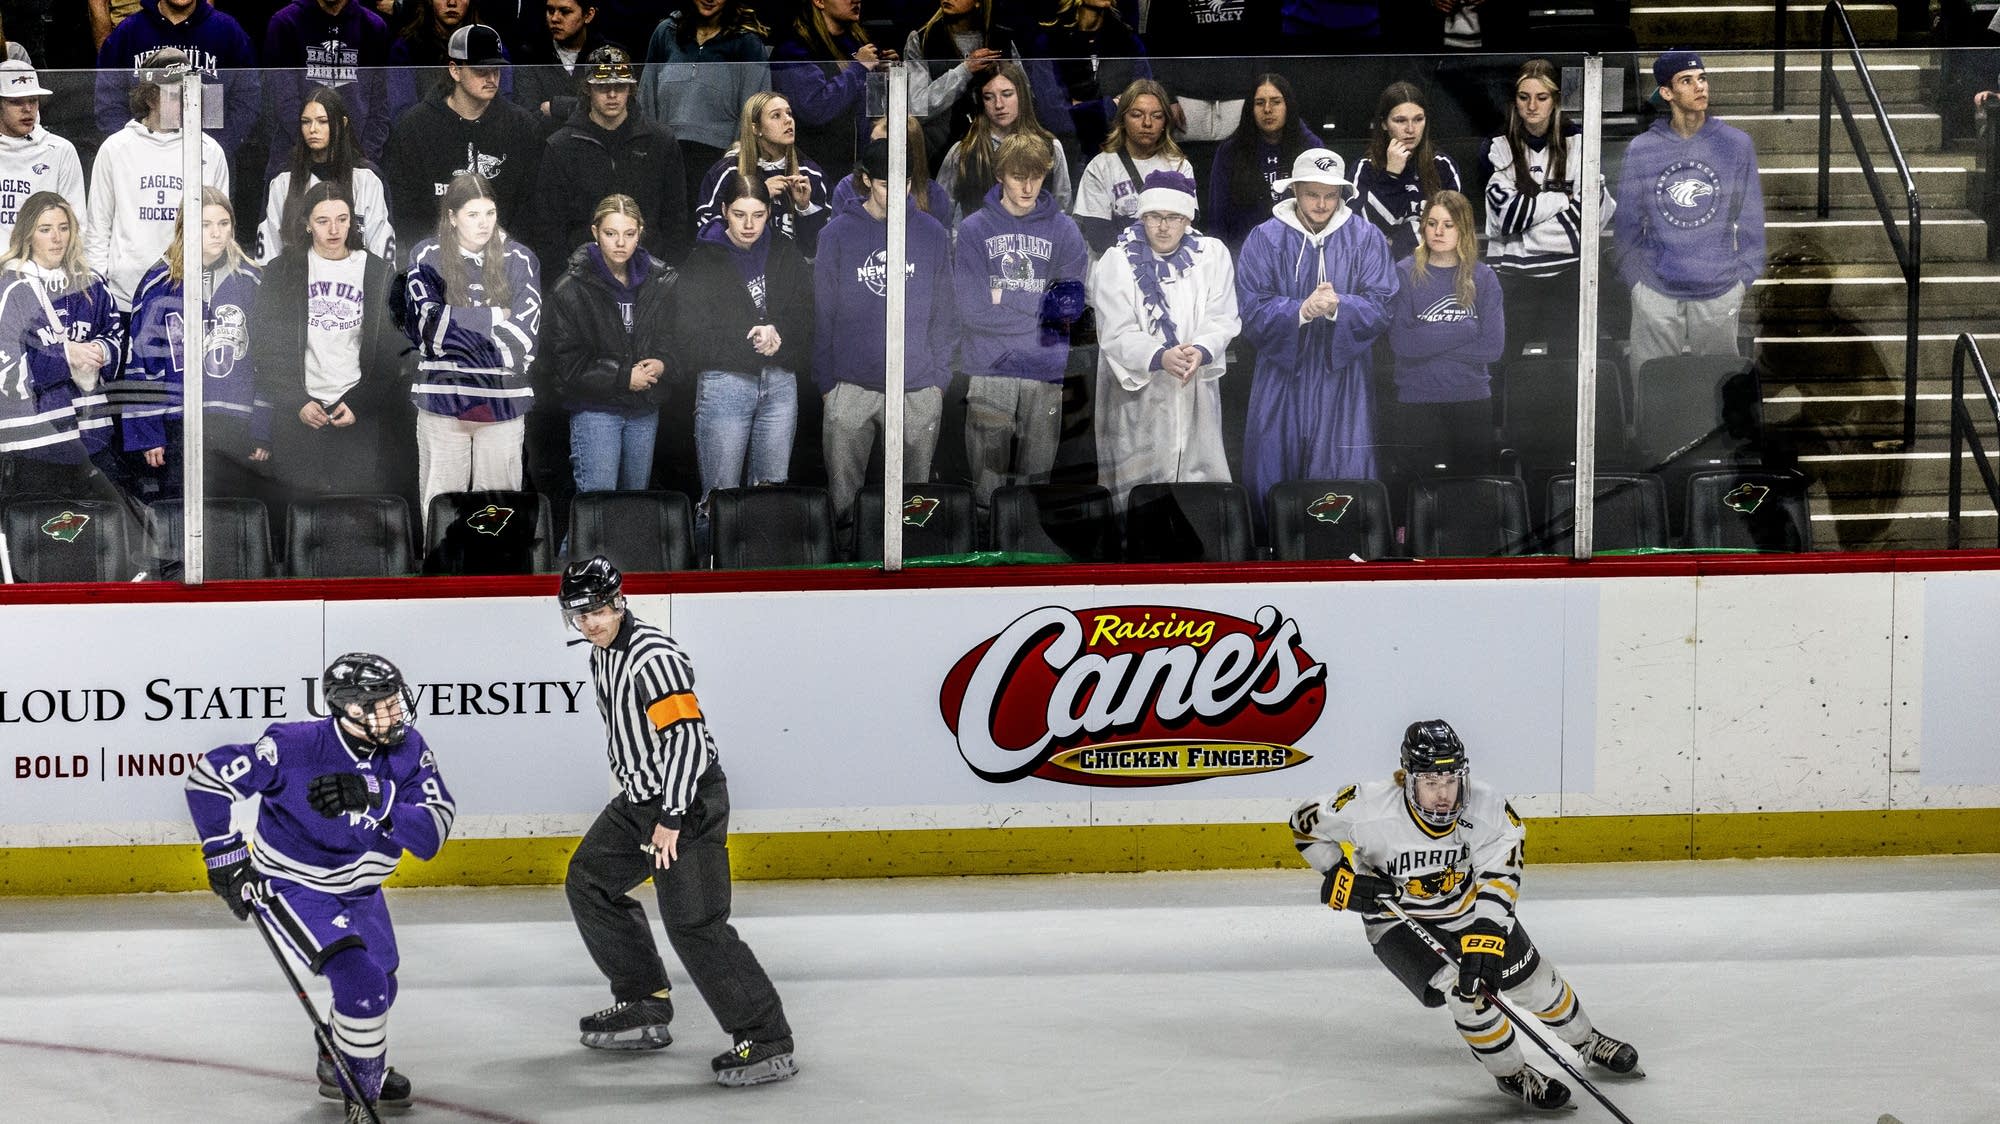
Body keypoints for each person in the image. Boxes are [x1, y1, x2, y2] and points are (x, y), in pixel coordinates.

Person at [1286, 719, 1641, 1112]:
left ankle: (1586, 1040)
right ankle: (1512, 1074)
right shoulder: (1366, 808)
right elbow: (1304, 823)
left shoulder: (1489, 809)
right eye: (1431, 783)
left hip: (1467, 910)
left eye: (1451, 781)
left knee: (1534, 982)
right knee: (1468, 995)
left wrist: (1485, 938)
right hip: (1397, 922)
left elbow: (1500, 877)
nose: (1443, 796)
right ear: (1407, 779)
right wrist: (1341, 878)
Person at [555, 556, 797, 1085]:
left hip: (686, 802)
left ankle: (768, 1038)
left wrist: (671, 816)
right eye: (579, 614)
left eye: (597, 610)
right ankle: (644, 1001)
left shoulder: (652, 658)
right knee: (590, 881)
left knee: (695, 923)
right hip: (641, 800)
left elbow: (685, 739)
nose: (590, 622)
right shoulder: (601, 653)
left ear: (619, 601)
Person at [185, 652, 455, 1123]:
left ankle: (337, 1062)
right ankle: (360, 1098)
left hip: (363, 891)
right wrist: (224, 855)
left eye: (396, 700)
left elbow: (432, 833)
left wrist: (376, 799)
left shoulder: (408, 748)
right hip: (293, 885)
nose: (396, 712)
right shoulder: (294, 746)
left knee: (383, 983)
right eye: (381, 704)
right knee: (363, 986)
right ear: (350, 709)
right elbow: (207, 779)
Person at [1233, 148, 1395, 511]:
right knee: (1274, 469)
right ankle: (1274, 556)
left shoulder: (1365, 237)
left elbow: (1383, 303)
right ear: (1295, 191)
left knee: (1342, 473)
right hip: (1280, 374)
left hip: (1344, 376)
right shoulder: (1265, 238)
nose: (1322, 204)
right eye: (1312, 194)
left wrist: (1340, 307)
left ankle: (1341, 555)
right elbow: (1250, 306)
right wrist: (1300, 311)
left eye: (1330, 195)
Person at [813, 137, 956, 543]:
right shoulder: (836, 234)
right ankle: (844, 573)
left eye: (904, 182)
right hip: (851, 385)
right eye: (885, 184)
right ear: (865, 181)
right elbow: (822, 314)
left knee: (915, 507)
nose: (896, 192)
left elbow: (947, 312)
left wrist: (937, 382)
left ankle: (913, 576)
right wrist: (828, 385)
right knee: (844, 504)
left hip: (917, 386)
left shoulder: (931, 233)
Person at [1085, 169, 1239, 513]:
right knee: (1138, 486)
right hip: (1138, 396)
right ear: (1142, 216)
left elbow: (1222, 315)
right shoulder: (1117, 261)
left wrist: (1200, 349)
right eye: (1154, 216)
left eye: (1173, 217)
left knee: (1198, 480)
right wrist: (1159, 356)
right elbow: (1115, 330)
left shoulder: (1211, 256)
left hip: (1193, 385)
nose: (1163, 226)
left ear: (1187, 218)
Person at [953, 131, 1088, 518]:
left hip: (1044, 369)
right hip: (988, 368)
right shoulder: (976, 229)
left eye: (1036, 176)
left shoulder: (1064, 230)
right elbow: (971, 308)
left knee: (1035, 486)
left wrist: (1003, 295)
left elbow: (1069, 307)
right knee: (986, 488)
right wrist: (1036, 304)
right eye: (1017, 176)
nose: (1028, 186)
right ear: (1000, 175)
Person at [254, 180, 413, 506]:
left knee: (353, 515)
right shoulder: (282, 271)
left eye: (342, 219)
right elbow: (266, 346)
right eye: (323, 221)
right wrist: (296, 400)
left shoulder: (377, 272)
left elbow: (391, 351)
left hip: (354, 413)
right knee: (298, 515)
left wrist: (360, 402)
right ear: (307, 224)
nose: (334, 229)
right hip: (298, 414)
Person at [402, 171, 541, 525]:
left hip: (503, 405)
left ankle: (492, 582)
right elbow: (429, 333)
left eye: (490, 213)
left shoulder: (521, 260)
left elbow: (523, 343)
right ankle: (442, 581)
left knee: (496, 520)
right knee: (442, 516)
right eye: (473, 215)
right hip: (441, 401)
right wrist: (496, 316)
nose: (484, 224)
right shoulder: (426, 257)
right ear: (451, 217)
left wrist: (457, 329)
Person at [1614, 50, 1765, 375]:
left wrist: (1742, 279)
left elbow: (1751, 218)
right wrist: (1637, 283)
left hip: (1718, 289)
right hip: (1656, 290)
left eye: (1702, 78)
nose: (1700, 87)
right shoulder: (1642, 149)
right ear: (1667, 93)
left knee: (1719, 393)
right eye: (1687, 81)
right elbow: (1626, 226)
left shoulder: (1736, 144)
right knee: (1651, 385)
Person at [673, 171, 812, 519]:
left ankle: (760, 572)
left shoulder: (784, 252)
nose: (749, 224)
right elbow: (690, 335)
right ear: (723, 210)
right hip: (725, 382)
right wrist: (750, 339)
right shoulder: (702, 260)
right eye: (739, 214)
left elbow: (806, 315)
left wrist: (778, 335)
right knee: (720, 499)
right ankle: (715, 571)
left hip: (780, 382)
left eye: (758, 215)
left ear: (769, 212)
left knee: (771, 495)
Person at [119, 187, 264, 504]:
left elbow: (267, 360)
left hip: (235, 422)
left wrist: (262, 426)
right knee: (180, 516)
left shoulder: (251, 280)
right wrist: (148, 430)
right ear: (185, 227)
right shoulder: (159, 283)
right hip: (178, 426)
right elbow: (141, 362)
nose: (216, 233)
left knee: (233, 517)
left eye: (224, 223)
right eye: (205, 224)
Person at [1479, 58, 1615, 361]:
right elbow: (1507, 216)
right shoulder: (1496, 145)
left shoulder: (1581, 141)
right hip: (1512, 278)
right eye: (1524, 97)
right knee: (1502, 362)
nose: (1532, 106)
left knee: (1568, 364)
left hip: (1569, 277)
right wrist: (1562, 199)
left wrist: (1530, 230)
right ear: (1514, 100)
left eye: (1541, 98)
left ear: (1555, 100)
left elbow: (1593, 215)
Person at [544, 193, 676, 493]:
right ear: (595, 232)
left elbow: (674, 338)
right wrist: (623, 377)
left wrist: (663, 362)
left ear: (640, 232)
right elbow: (566, 363)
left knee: (633, 504)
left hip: (643, 407)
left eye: (629, 234)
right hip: (595, 408)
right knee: (597, 505)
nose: (620, 243)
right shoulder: (570, 288)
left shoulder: (660, 280)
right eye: (610, 233)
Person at [84, 47, 231, 311]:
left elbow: (217, 233)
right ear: (151, 97)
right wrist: (98, 293)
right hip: (124, 298)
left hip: (187, 295)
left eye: (191, 91)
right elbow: (98, 228)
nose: (187, 100)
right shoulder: (115, 148)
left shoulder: (209, 151)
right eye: (177, 93)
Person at [0, 191, 123, 499]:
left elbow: (116, 337)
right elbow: (8, 372)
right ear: (28, 234)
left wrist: (100, 351)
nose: (57, 238)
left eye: (64, 227)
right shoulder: (10, 288)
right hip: (34, 443)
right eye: (45, 229)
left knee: (103, 533)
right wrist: (67, 356)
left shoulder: (92, 283)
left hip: (93, 437)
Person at [527, 45, 688, 270]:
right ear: (587, 89)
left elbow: (675, 219)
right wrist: (565, 281)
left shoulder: (660, 141)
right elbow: (548, 227)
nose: (612, 94)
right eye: (603, 87)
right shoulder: (561, 146)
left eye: (620, 86)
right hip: (582, 274)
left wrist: (668, 275)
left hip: (649, 272)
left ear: (631, 89)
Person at [1385, 190, 1503, 483]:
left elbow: (1492, 347)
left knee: (1472, 490)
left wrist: (1428, 341)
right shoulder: (1404, 273)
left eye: (1449, 225)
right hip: (1417, 400)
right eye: (1432, 223)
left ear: (1463, 229)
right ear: (1423, 226)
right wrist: (1464, 330)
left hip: (1470, 399)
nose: (1438, 232)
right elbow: (1402, 343)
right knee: (1418, 490)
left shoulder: (1483, 277)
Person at [382, 23, 543, 238]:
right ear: (455, 70)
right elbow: (406, 207)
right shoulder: (415, 127)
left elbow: (531, 205)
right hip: (436, 254)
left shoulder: (522, 126)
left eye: (496, 70)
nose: (491, 79)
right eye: (480, 70)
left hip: (504, 254)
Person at [640, 0, 771, 211]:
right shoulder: (665, 32)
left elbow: (753, 111)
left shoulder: (746, 43)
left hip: (720, 160)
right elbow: (646, 98)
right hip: (665, 156)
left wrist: (735, 162)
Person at [93, 0, 261, 157]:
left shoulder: (228, 32)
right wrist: (134, 151)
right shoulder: (128, 33)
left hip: (207, 163)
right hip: (141, 164)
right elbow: (109, 105)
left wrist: (215, 150)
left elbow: (246, 101)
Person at [258, 83, 396, 263]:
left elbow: (383, 256)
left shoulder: (367, 179)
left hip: (356, 285)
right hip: (295, 286)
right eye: (306, 122)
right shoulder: (283, 180)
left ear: (343, 123)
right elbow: (268, 254)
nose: (313, 129)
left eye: (323, 121)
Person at [692, 91, 830, 258]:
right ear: (755, 128)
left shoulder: (810, 173)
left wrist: (805, 208)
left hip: (793, 274)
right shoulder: (727, 172)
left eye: (789, 113)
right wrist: (757, 194)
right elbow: (707, 233)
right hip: (739, 273)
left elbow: (820, 246)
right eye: (776, 116)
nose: (788, 120)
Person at [262, 0, 395, 170]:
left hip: (356, 164)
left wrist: (361, 160)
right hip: (295, 165)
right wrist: (318, 156)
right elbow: (284, 103)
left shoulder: (374, 27)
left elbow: (380, 109)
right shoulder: (285, 23)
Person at [936, 62, 1071, 227]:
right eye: (988, 97)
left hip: (1036, 246)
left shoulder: (1050, 148)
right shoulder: (963, 152)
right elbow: (941, 215)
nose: (999, 104)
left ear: (1021, 96)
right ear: (980, 101)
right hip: (978, 246)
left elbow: (1062, 209)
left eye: (1007, 94)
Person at [1073, 78, 1194, 254]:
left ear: (1165, 123)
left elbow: (1187, 228)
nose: (1147, 123)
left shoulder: (1180, 166)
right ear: (1122, 119)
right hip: (1115, 267)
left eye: (1157, 116)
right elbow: (1099, 237)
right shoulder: (1100, 167)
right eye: (1137, 115)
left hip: (1168, 268)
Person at [1207, 73, 1322, 253]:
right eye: (1260, 103)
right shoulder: (1230, 151)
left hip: (1300, 252)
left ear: (1288, 106)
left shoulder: (1311, 147)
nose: (1267, 109)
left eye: (1276, 102)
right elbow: (1217, 217)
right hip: (1245, 251)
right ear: (1250, 109)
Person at [769, 0, 889, 172]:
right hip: (817, 167)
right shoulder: (795, 48)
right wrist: (859, 68)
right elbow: (814, 108)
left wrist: (881, 74)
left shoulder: (858, 42)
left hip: (860, 164)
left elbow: (875, 108)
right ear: (819, 2)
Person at [1351, 81, 1460, 261]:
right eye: (1400, 120)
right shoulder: (1365, 168)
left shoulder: (1442, 166)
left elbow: (1453, 229)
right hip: (1379, 270)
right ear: (1384, 124)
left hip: (1432, 267)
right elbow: (1365, 234)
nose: (1411, 129)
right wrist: (1391, 175)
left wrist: (1404, 237)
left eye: (1418, 119)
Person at [1028, 0, 1147, 160]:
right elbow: (1055, 114)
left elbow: (1143, 98)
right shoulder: (1049, 42)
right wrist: (1114, 104)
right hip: (1071, 150)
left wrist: (1080, 107)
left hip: (1123, 146)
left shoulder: (1127, 38)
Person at [898, 0, 1007, 164]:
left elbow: (1024, 96)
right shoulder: (922, 39)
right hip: (939, 154)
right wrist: (964, 71)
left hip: (998, 154)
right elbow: (917, 107)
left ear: (978, 2)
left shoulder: (1001, 38)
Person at [0, 62, 85, 248]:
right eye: (16, 102)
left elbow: (76, 221)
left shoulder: (60, 150)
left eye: (33, 100)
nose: (27, 109)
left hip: (40, 270)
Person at [514, 0, 614, 128]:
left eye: (565, 12)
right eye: (550, 11)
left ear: (588, 15)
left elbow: (618, 111)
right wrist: (590, 109)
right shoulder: (530, 55)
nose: (554, 18)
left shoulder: (609, 55)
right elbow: (528, 118)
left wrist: (557, 107)